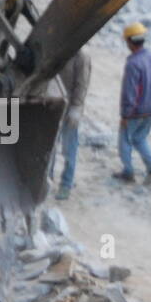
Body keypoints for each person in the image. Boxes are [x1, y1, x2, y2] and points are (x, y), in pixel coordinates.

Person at [115, 22, 151, 185]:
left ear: (129, 41)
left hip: (135, 111)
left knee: (125, 140)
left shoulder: (133, 64)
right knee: (140, 138)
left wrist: (125, 115)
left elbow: (130, 93)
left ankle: (128, 172)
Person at [54, 51, 91, 201]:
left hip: (69, 109)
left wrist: (76, 107)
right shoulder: (59, 51)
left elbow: (82, 84)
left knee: (69, 149)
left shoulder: (81, 57)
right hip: (54, 105)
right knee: (49, 149)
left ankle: (66, 184)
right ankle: (45, 181)